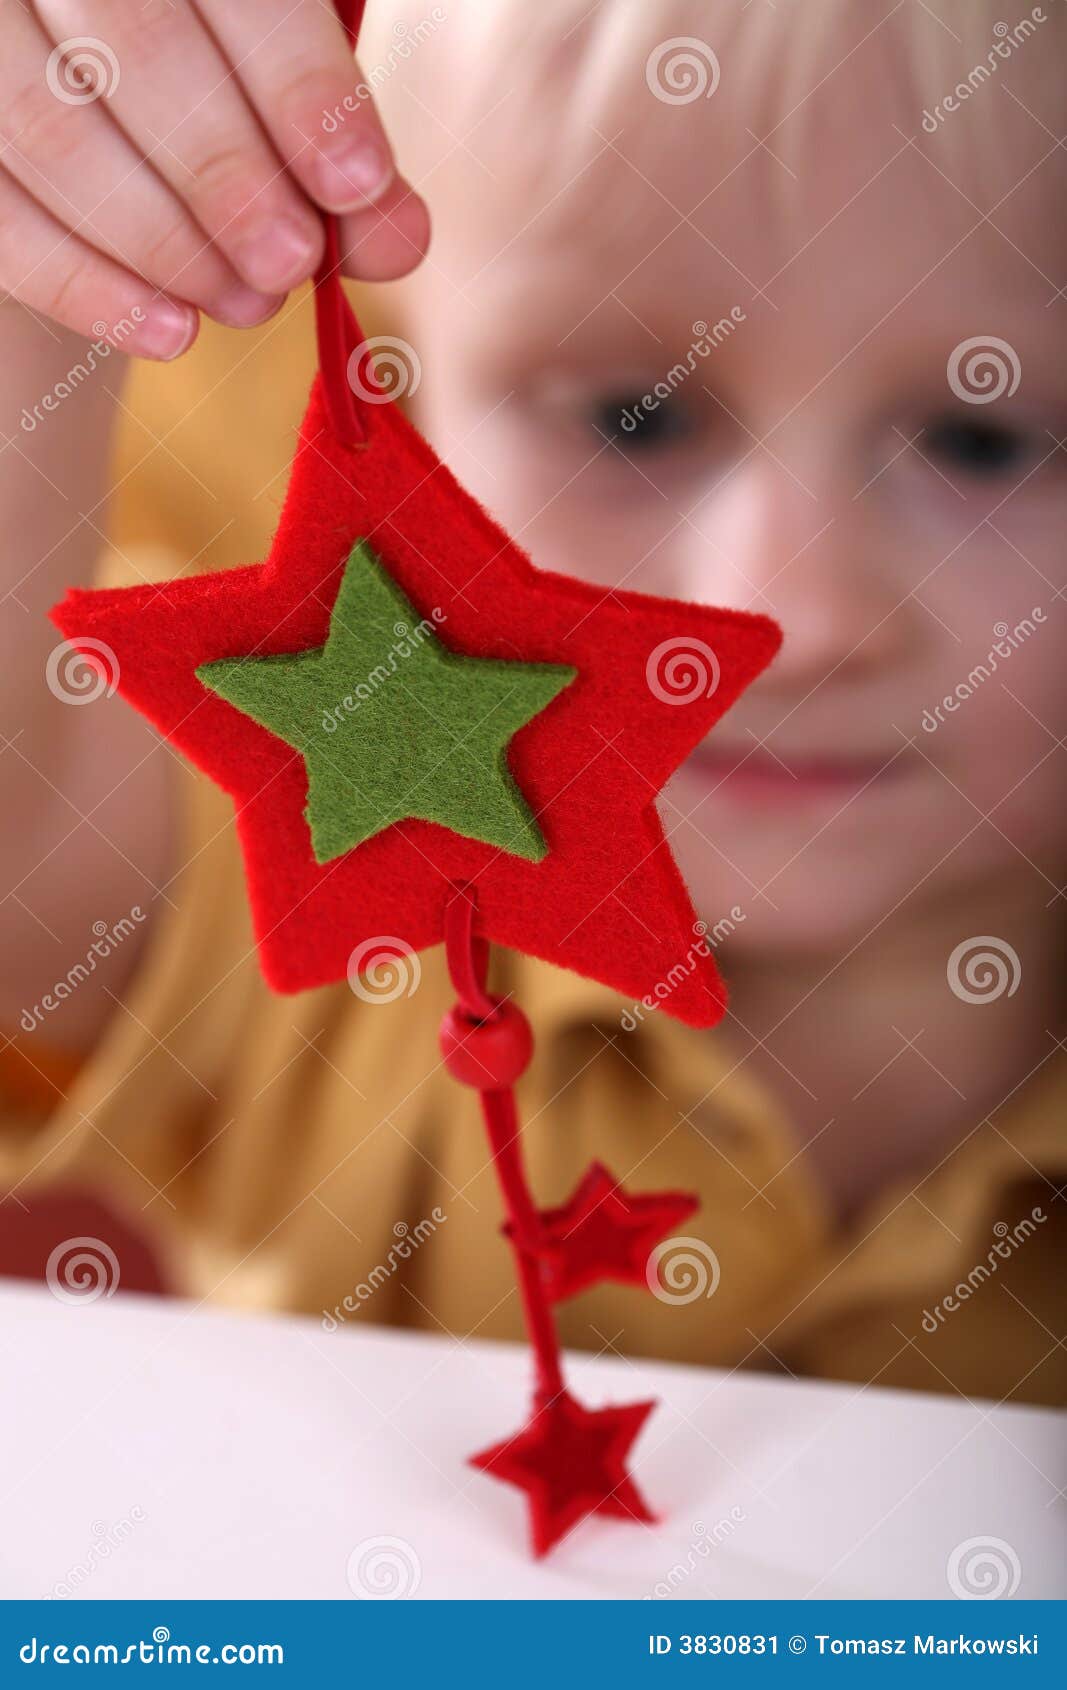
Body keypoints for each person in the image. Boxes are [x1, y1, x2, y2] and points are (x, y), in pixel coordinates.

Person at [1, 0, 1063, 1404]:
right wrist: (38, 288)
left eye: (985, 439)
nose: (798, 621)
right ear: (396, 385)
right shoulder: (301, 866)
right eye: (634, 416)